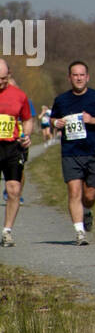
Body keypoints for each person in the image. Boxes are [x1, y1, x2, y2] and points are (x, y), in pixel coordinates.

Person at [49, 61, 95, 245]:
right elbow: (53, 117)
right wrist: (55, 123)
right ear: (69, 77)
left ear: (87, 77)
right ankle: (79, 233)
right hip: (70, 152)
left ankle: (86, 211)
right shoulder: (61, 100)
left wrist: (91, 119)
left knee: (90, 195)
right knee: (74, 191)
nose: (78, 78)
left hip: (93, 152)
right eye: (75, 75)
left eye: (81, 75)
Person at [0, 60, 32, 246]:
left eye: (4, 78)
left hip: (12, 147)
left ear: (9, 74)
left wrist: (26, 135)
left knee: (14, 190)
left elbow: (27, 119)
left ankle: (7, 231)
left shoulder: (19, 96)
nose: (1, 82)